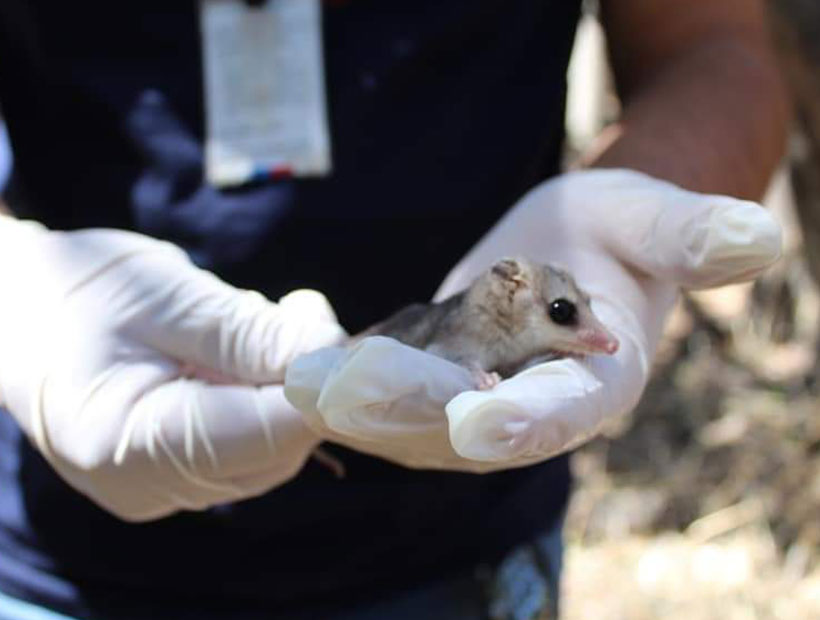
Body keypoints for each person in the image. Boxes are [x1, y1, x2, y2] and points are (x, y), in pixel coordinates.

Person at [0, 1, 787, 618]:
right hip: (55, 561)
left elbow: (710, 45)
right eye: (561, 314)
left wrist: (631, 210)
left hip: (464, 557)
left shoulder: (506, 320)